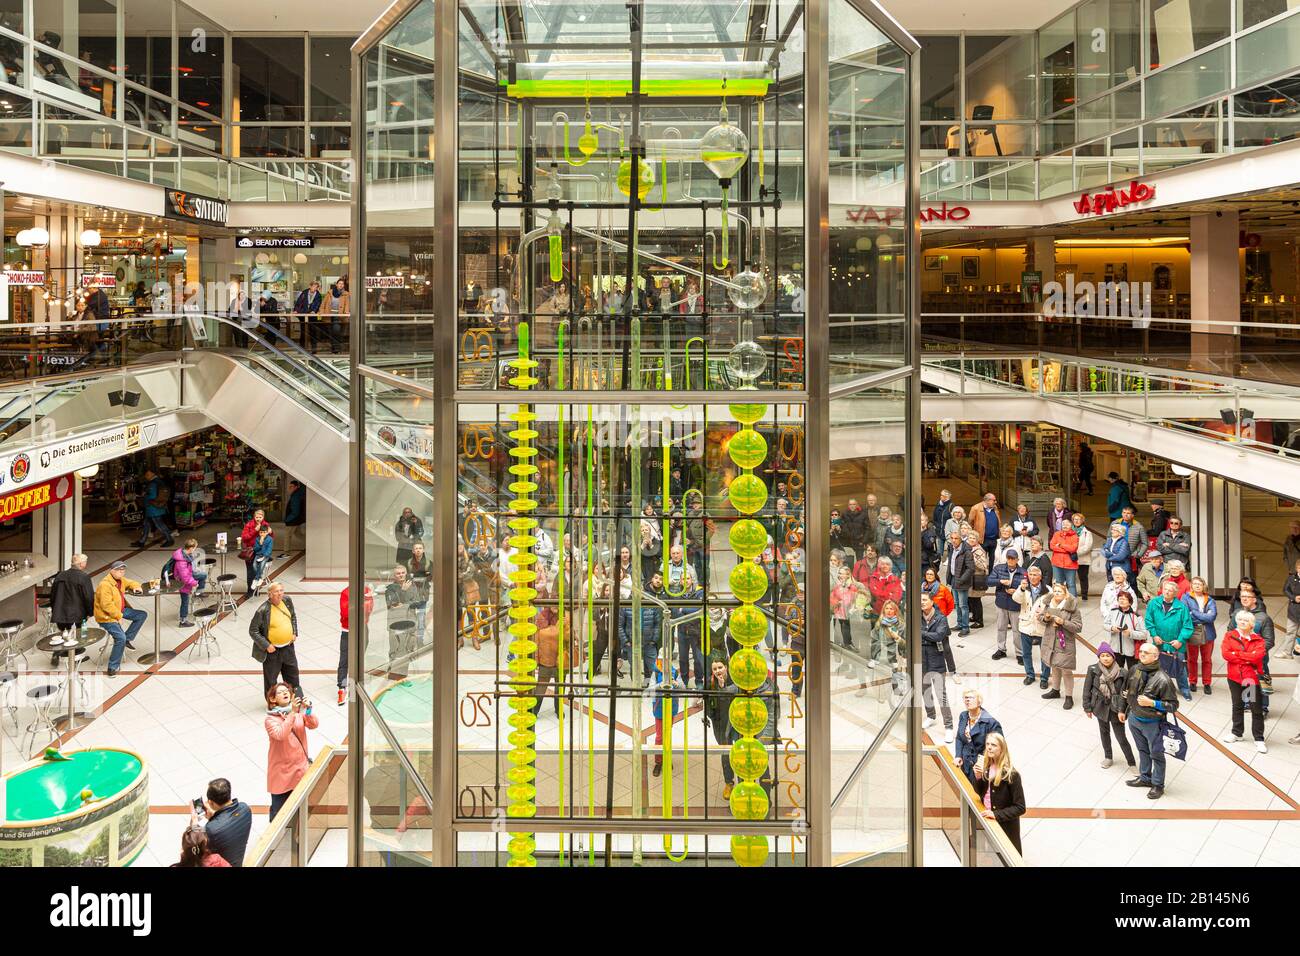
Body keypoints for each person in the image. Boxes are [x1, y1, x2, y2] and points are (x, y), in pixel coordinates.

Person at [1118, 640, 1179, 800]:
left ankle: (1158, 784)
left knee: (1156, 754)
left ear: (1155, 656)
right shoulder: (1135, 670)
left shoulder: (1163, 679)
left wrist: (1153, 703)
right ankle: (1145, 777)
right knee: (1142, 750)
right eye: (1141, 652)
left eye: (1146, 653)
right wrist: (1122, 709)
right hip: (1134, 718)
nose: (1142, 654)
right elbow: (1126, 691)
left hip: (1153, 723)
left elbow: (1173, 706)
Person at [264, 681, 319, 821]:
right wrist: (293, 712)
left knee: (301, 808)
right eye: (280, 692)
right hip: (282, 772)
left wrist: (308, 709)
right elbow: (280, 734)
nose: (284, 693)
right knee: (279, 811)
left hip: (300, 768)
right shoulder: (270, 720)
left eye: (286, 691)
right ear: (272, 699)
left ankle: (298, 834)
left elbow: (313, 724)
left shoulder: (298, 714)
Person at [1083, 642, 1137, 770]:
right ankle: (1108, 757)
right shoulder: (1093, 670)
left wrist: (1123, 710)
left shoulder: (1123, 672)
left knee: (1121, 737)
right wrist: (1087, 707)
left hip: (1116, 710)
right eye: (1102, 656)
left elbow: (1126, 695)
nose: (1105, 658)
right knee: (1104, 732)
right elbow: (1087, 689)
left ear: (1113, 657)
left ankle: (1131, 762)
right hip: (1100, 707)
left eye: (1108, 655)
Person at [1221, 610, 1268, 754]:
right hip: (1234, 677)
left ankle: (1259, 739)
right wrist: (1247, 656)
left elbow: (1257, 657)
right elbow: (1226, 654)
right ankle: (1237, 733)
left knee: (1255, 708)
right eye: (1239, 619)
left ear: (1251, 624)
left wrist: (1237, 654)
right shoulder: (1230, 635)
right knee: (1237, 705)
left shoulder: (1258, 640)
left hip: (1249, 679)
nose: (1241, 622)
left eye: (1245, 620)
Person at [971, 733, 1026, 854]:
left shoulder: (1012, 775)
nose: (989, 747)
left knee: (1005, 856)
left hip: (1005, 826)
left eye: (994, 745)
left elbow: (1020, 807)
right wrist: (978, 777)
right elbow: (981, 793)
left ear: (1001, 749)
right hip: (988, 820)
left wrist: (996, 814)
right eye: (988, 744)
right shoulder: (986, 767)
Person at [94, 561, 147, 677]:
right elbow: (106, 605)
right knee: (120, 638)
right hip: (107, 616)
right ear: (112, 571)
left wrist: (136, 587)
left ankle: (127, 639)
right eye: (119, 571)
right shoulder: (105, 585)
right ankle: (112, 667)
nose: (121, 573)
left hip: (119, 610)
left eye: (123, 571)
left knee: (141, 615)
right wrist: (118, 616)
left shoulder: (120, 580)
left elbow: (131, 582)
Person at [1144, 578, 1193, 702]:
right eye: (1165, 589)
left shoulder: (1182, 607)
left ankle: (1184, 690)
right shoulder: (1153, 603)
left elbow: (1187, 626)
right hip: (1158, 643)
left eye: (1170, 590)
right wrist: (1154, 635)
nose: (1167, 592)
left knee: (1179, 668)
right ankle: (1158, 690)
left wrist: (1180, 640)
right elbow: (1148, 621)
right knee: (1157, 667)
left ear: (1175, 593)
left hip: (1176, 644)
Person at [250, 582, 301, 695]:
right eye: (276, 591)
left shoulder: (287, 601)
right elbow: (253, 630)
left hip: (288, 647)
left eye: (281, 590)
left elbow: (293, 616)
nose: (280, 594)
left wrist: (294, 632)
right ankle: (272, 703)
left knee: (293, 675)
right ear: (270, 594)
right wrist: (266, 645)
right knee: (271, 680)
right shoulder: (262, 610)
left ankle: (297, 698)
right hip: (273, 652)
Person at [1037, 581, 1082, 709]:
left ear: (1065, 593)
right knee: (1055, 667)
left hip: (1065, 643)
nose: (1057, 593)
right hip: (1050, 641)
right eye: (1055, 591)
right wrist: (1045, 618)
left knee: (1066, 671)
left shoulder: (1072, 608)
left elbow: (1078, 627)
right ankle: (1055, 690)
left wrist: (1063, 622)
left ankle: (1069, 697)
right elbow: (1040, 618)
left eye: (1060, 591)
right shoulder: (1048, 604)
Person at [919, 594, 954, 743]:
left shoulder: (941, 618)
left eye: (925, 600)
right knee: (925, 691)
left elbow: (939, 636)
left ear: (932, 602)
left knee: (941, 695)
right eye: (920, 600)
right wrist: (929, 636)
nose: (922, 603)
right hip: (921, 660)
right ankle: (931, 716)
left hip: (937, 660)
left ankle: (949, 727)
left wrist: (921, 634)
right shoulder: (916, 617)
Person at [196, 778, 252, 867]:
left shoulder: (212, 829)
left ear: (211, 802)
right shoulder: (245, 809)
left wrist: (199, 822)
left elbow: (196, 846)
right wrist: (215, 818)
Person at [951, 689, 1003, 785]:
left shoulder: (991, 723)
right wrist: (958, 755)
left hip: (982, 767)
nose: (967, 700)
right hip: (965, 764)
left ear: (979, 702)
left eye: (971, 697)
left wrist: (982, 763)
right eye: (965, 698)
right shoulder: (963, 716)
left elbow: (999, 748)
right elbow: (959, 737)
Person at [337, 583, 374, 706]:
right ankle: (342, 688)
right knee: (345, 660)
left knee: (360, 657)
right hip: (348, 631)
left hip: (363, 628)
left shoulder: (366, 590)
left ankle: (358, 683)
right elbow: (347, 613)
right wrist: (363, 602)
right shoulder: (346, 593)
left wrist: (366, 601)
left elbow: (370, 609)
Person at [1013, 564, 1050, 687]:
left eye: (1035, 575)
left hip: (1042, 626)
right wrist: (1021, 589)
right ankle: (1029, 675)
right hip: (1026, 626)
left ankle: (1044, 678)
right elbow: (1016, 599)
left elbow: (1054, 607)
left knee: (1045, 655)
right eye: (1031, 575)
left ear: (1040, 576)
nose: (1033, 577)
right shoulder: (1023, 587)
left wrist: (1045, 613)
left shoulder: (1048, 590)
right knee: (1026, 653)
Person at [1181, 575, 1217, 694]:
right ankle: (1192, 681)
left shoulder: (1210, 599)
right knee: (1192, 659)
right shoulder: (1186, 598)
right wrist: (1204, 616)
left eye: (1199, 584)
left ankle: (1207, 683)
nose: (1197, 585)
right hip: (1193, 632)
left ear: (1203, 586)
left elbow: (1212, 617)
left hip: (1208, 633)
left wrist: (1195, 613)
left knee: (1207, 660)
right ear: (1191, 586)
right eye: (1195, 583)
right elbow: (1186, 615)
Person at [990, 548, 1025, 662]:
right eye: (1008, 558)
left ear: (1017, 559)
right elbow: (989, 581)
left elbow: (1027, 587)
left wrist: (1017, 591)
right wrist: (1000, 581)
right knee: (1001, 628)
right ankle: (1001, 649)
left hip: (1015, 605)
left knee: (1017, 630)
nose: (1010, 560)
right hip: (1001, 603)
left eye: (1013, 558)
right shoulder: (998, 568)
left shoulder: (1024, 572)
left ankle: (1019, 653)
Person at [50, 553, 95, 635]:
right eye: (85, 562)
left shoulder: (60, 575)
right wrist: (90, 612)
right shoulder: (84, 577)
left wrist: (54, 609)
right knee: (82, 633)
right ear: (81, 564)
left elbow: (53, 594)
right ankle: (80, 647)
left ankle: (66, 646)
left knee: (64, 635)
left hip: (61, 611)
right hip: (79, 613)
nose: (86, 563)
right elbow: (89, 597)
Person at [1104, 590, 1146, 668]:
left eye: (1124, 599)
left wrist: (1130, 633)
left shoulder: (1136, 617)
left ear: (1130, 602)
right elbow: (1105, 624)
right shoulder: (1112, 612)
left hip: (1131, 651)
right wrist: (1112, 628)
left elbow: (1144, 634)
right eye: (1120, 598)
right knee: (1117, 673)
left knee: (1134, 674)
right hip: (1115, 649)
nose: (1121, 600)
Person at [944, 529, 973, 637]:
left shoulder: (967, 551)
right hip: (953, 580)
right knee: (956, 604)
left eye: (956, 538)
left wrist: (961, 579)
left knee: (963, 605)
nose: (953, 540)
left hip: (961, 582)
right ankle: (959, 623)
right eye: (952, 538)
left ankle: (965, 627)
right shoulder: (951, 548)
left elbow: (970, 569)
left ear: (961, 539)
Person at [171, 538, 207, 626]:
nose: (195, 549)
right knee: (185, 601)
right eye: (194, 548)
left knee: (203, 575)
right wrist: (195, 583)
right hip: (182, 583)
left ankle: (198, 592)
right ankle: (183, 621)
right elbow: (185, 578)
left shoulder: (185, 554)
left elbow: (189, 570)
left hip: (187, 576)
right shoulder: (181, 562)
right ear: (190, 548)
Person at [134, 468, 174, 547]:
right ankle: (142, 541)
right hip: (156, 506)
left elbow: (152, 495)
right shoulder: (159, 481)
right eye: (146, 474)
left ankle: (169, 539)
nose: (146, 476)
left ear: (153, 474)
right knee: (146, 524)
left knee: (159, 524)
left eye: (148, 474)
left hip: (153, 507)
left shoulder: (153, 483)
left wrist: (143, 496)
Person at [240, 508, 270, 595]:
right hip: (250, 551)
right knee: (250, 572)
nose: (258, 519)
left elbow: (270, 538)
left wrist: (271, 533)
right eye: (257, 517)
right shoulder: (249, 525)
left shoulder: (266, 525)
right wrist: (255, 531)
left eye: (260, 517)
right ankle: (250, 591)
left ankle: (256, 591)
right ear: (254, 517)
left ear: (263, 517)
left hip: (261, 552)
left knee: (257, 571)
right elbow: (244, 537)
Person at [969, 493, 1001, 566]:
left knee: (993, 560)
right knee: (981, 560)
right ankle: (983, 576)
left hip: (994, 540)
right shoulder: (975, 508)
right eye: (994, 500)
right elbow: (970, 523)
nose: (995, 502)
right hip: (982, 540)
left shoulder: (995, 508)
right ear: (988, 500)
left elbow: (998, 521)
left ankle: (991, 575)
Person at [1049, 520, 1080, 597]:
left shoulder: (1074, 536)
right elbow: (1052, 546)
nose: (1065, 526)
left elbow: (1073, 548)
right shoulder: (1056, 534)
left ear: (1071, 525)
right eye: (1063, 524)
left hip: (1070, 564)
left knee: (1071, 584)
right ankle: (1059, 601)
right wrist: (1066, 549)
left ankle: (1072, 603)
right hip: (1057, 563)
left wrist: (1061, 545)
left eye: (1067, 524)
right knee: (1059, 584)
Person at [295, 279, 324, 351]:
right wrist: (296, 310)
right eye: (313, 286)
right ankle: (302, 348)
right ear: (310, 286)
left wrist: (314, 311)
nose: (315, 288)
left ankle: (314, 349)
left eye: (316, 287)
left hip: (312, 316)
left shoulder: (318, 295)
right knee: (303, 331)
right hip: (303, 314)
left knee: (313, 332)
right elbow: (298, 303)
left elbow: (317, 304)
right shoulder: (304, 293)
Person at [1072, 513, 1094, 601]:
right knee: (1070, 578)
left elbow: (1088, 546)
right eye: (1075, 519)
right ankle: (1072, 595)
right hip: (1071, 559)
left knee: (1083, 577)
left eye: (1079, 519)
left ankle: (1084, 595)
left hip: (1083, 559)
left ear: (1082, 521)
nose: (1076, 521)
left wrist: (1075, 553)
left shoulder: (1087, 533)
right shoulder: (1069, 531)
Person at [1120, 506, 1150, 573]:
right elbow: (1109, 538)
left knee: (1132, 580)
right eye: (1124, 512)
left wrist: (1138, 555)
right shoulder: (1115, 524)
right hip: (1117, 557)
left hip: (1132, 557)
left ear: (1133, 515)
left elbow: (1145, 543)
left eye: (1128, 513)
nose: (1125, 515)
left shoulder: (1139, 527)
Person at [1282, 557, 1300, 660]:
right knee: (1290, 632)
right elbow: (1285, 590)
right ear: (1297, 568)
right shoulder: (1291, 578)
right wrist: (1294, 598)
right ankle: (1287, 653)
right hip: (1293, 610)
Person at [249, 523, 274, 596]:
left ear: (267, 532)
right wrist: (260, 544)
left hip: (266, 555)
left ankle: (256, 579)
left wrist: (265, 556)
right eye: (261, 532)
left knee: (262, 564)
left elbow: (269, 550)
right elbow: (255, 549)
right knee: (254, 565)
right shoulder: (257, 539)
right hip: (258, 554)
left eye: (264, 532)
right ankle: (260, 577)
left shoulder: (270, 539)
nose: (262, 534)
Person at [283, 479, 306, 550]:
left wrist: (287, 519)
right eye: (289, 486)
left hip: (292, 520)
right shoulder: (297, 494)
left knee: (287, 536)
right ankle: (310, 543)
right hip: (297, 520)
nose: (289, 488)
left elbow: (295, 511)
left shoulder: (295, 496)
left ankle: (286, 552)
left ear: (296, 487)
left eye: (291, 486)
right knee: (298, 534)